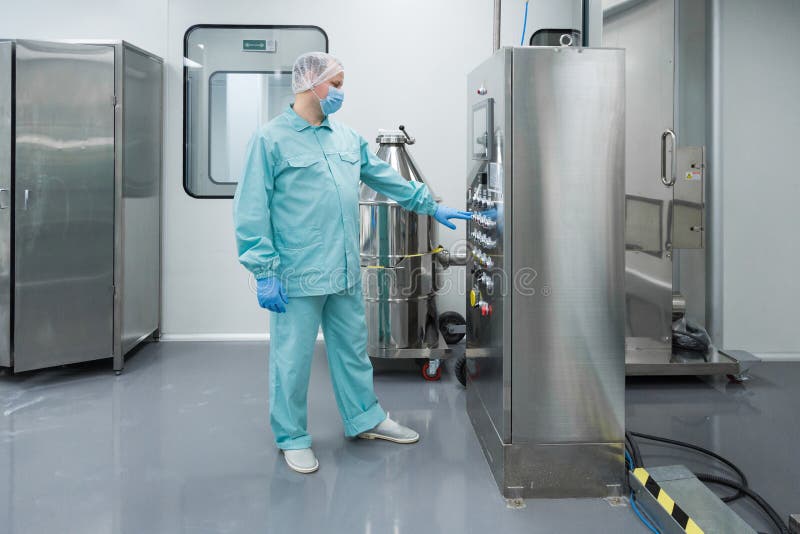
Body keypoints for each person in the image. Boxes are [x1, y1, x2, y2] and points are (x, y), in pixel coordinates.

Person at [233, 51, 471, 474]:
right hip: (298, 274)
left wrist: (431, 206)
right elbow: (251, 210)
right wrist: (264, 271)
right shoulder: (269, 140)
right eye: (336, 84)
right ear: (310, 84)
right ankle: (291, 436)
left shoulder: (345, 138)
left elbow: (384, 176)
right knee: (292, 360)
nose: (342, 92)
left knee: (352, 353)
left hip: (344, 272)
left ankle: (365, 418)